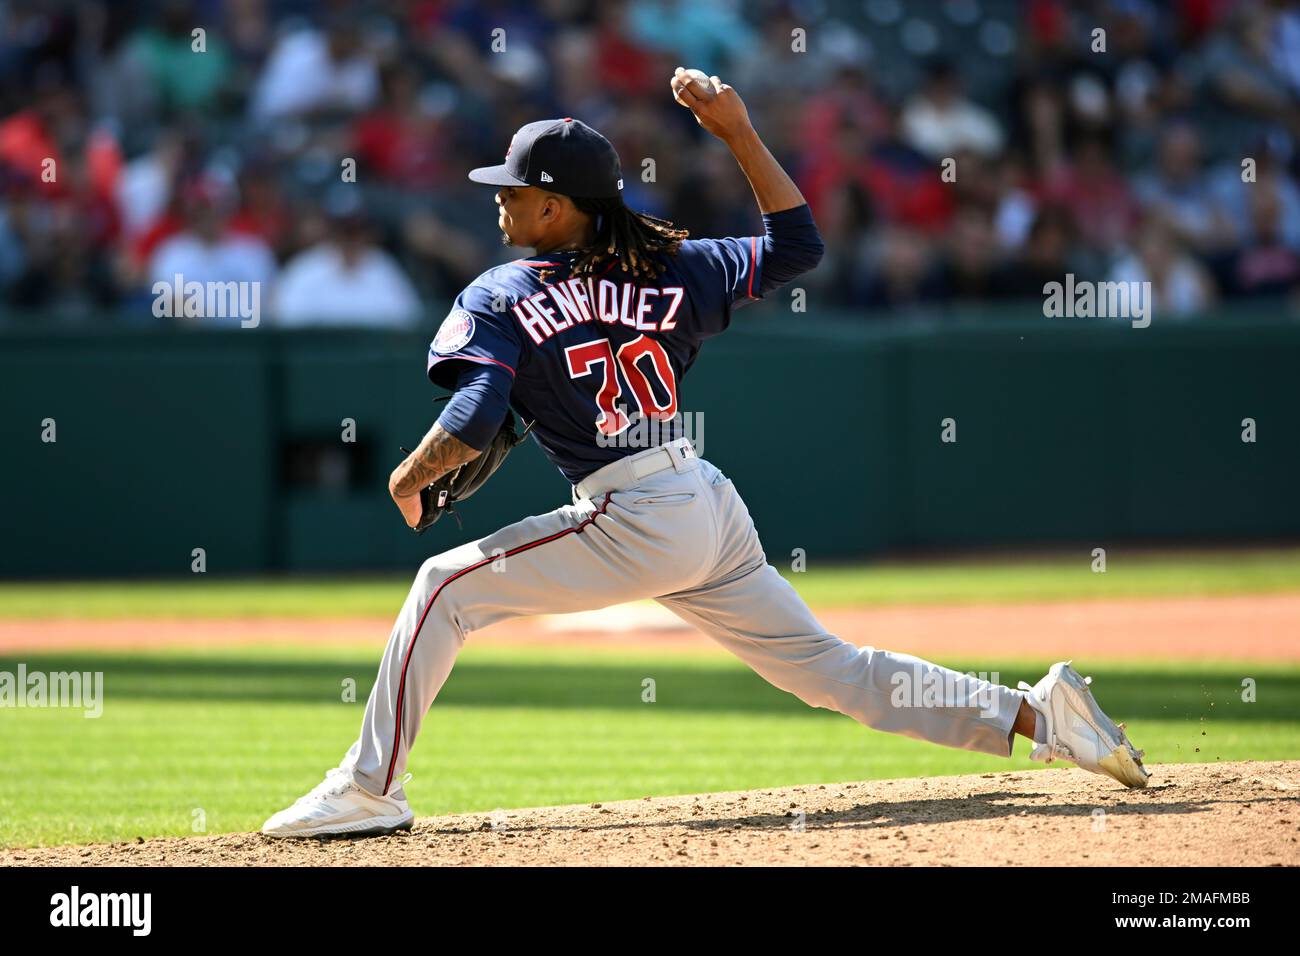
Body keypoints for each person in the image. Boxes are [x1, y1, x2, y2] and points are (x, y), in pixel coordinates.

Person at [262, 70, 1149, 839]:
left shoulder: (504, 289)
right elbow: (799, 246)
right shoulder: (669, 265)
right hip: (700, 498)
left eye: (512, 189)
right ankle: (1042, 716)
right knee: (834, 672)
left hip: (633, 513)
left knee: (441, 588)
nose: (497, 201)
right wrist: (738, 131)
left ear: (556, 207)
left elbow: (477, 407)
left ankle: (371, 789)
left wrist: (408, 475)